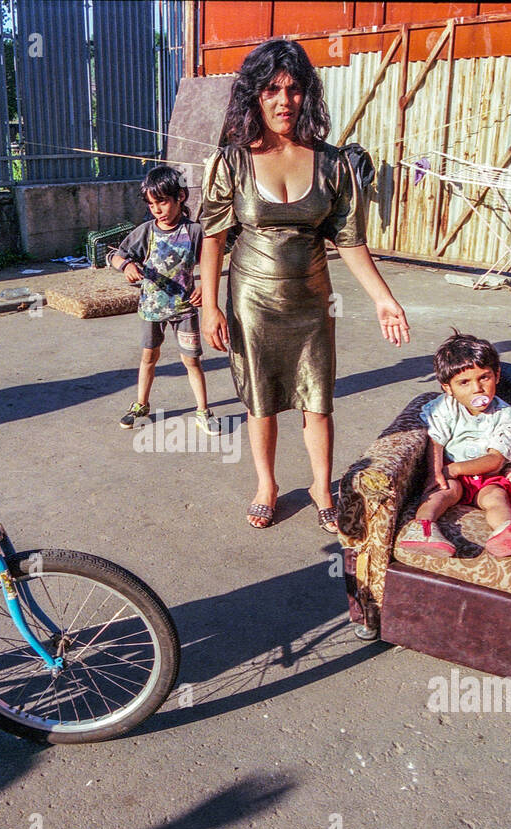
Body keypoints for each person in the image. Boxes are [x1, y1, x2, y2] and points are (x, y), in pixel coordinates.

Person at [197, 39, 409, 533]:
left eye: (294, 89)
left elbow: (350, 240)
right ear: (254, 95)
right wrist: (209, 307)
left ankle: (321, 487)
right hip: (252, 299)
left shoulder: (333, 163)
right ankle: (266, 485)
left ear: (307, 94)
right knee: (261, 399)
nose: (283, 101)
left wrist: (383, 299)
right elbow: (213, 238)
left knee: (317, 398)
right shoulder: (230, 161)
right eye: (271, 89)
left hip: (312, 300)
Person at [396, 331, 511, 558]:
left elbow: (495, 460)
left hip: (486, 477)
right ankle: (423, 528)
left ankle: (506, 532)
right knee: (441, 493)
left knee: (496, 498)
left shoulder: (507, 416)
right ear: (448, 387)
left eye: (484, 378)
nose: (477, 389)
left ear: (497, 375)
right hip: (451, 474)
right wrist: (435, 473)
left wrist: (454, 469)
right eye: (464, 382)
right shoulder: (445, 407)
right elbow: (436, 439)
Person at [109, 165, 219, 436]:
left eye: (162, 202)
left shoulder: (195, 231)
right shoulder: (146, 231)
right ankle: (141, 404)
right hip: (151, 310)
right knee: (149, 357)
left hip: (185, 310)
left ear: (180, 197)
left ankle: (203, 411)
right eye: (151, 204)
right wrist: (126, 266)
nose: (157, 209)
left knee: (192, 361)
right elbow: (114, 255)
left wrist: (205, 287)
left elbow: (212, 260)